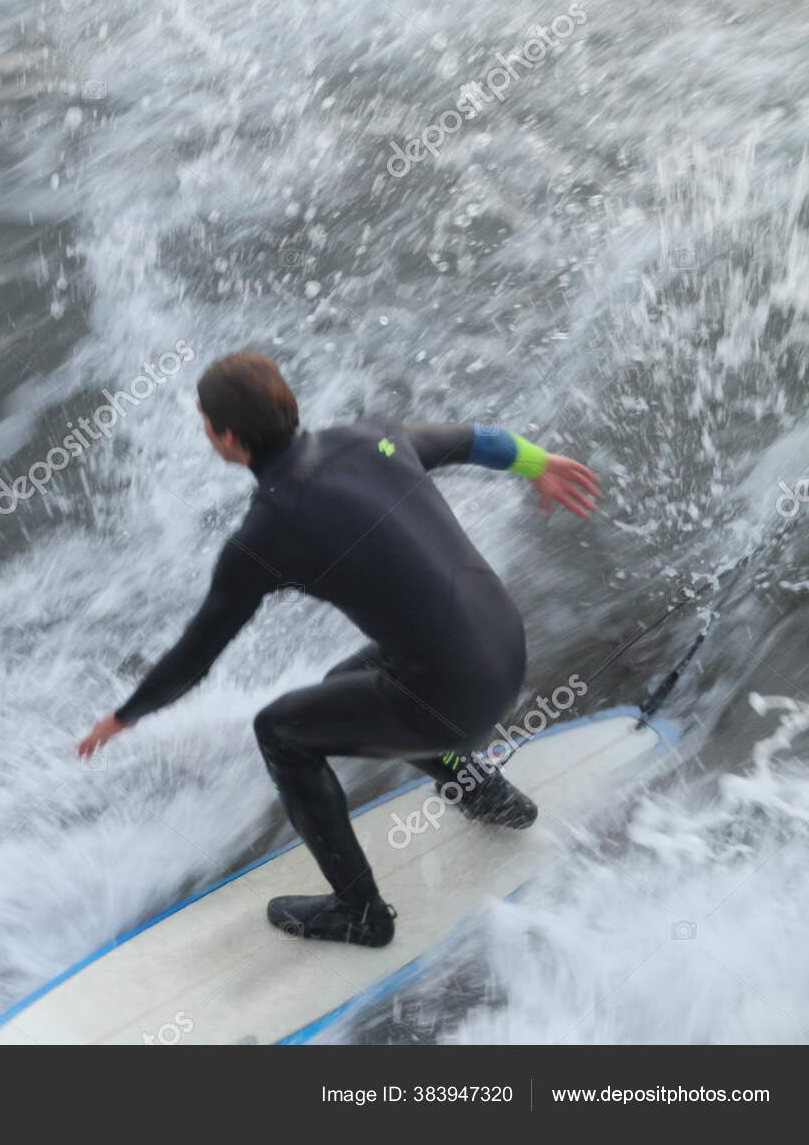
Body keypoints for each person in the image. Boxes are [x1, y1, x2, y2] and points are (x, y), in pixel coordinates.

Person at [76, 352, 602, 948]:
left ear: (225, 436)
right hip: (506, 646)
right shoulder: (373, 435)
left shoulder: (265, 533)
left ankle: (360, 913)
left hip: (455, 703)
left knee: (280, 733)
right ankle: (480, 791)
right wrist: (540, 464)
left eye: (205, 423)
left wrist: (124, 716)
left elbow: (196, 656)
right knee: (344, 682)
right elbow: (475, 440)